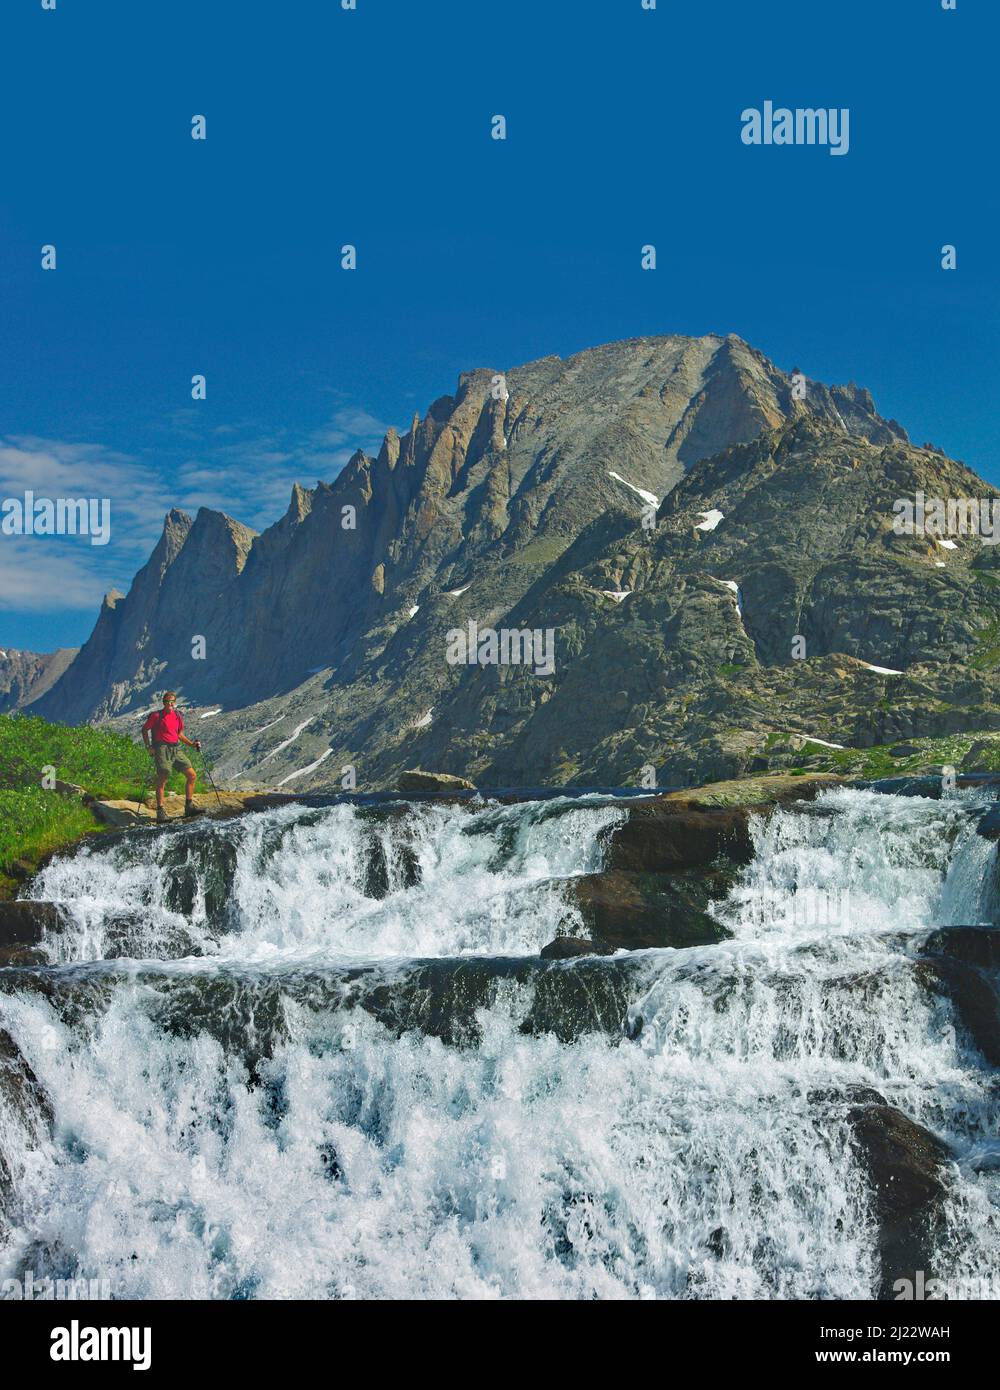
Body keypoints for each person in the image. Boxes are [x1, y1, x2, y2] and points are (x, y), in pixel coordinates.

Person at [142, 691, 205, 823]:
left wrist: (192, 744)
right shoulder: (156, 715)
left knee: (191, 775)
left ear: (175, 703)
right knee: (164, 775)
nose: (169, 704)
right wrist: (149, 746)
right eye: (167, 702)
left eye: (172, 702)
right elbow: (144, 730)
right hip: (161, 748)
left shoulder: (177, 715)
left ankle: (189, 806)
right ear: (163, 703)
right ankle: (160, 812)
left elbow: (179, 734)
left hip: (175, 748)